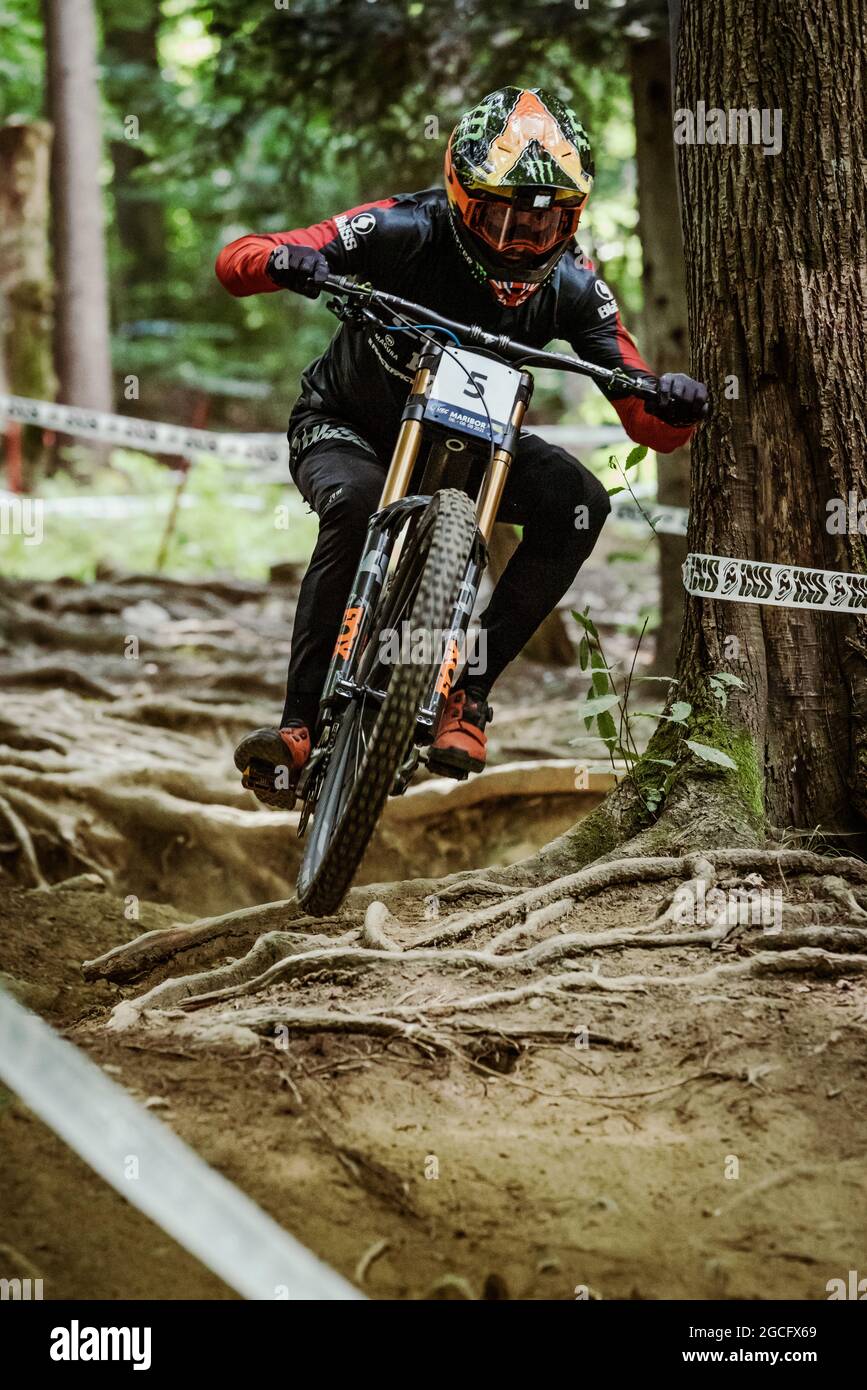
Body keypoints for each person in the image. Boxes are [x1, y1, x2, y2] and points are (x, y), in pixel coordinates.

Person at [216, 86, 707, 807]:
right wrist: (283, 265)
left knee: (579, 502)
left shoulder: (574, 287)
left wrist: (677, 403)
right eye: (497, 217)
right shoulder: (401, 228)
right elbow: (241, 259)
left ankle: (466, 697)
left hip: (475, 445)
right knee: (352, 506)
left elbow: (646, 419)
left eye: (541, 227)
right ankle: (297, 730)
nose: (516, 241)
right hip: (347, 427)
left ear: (570, 222)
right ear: (459, 195)